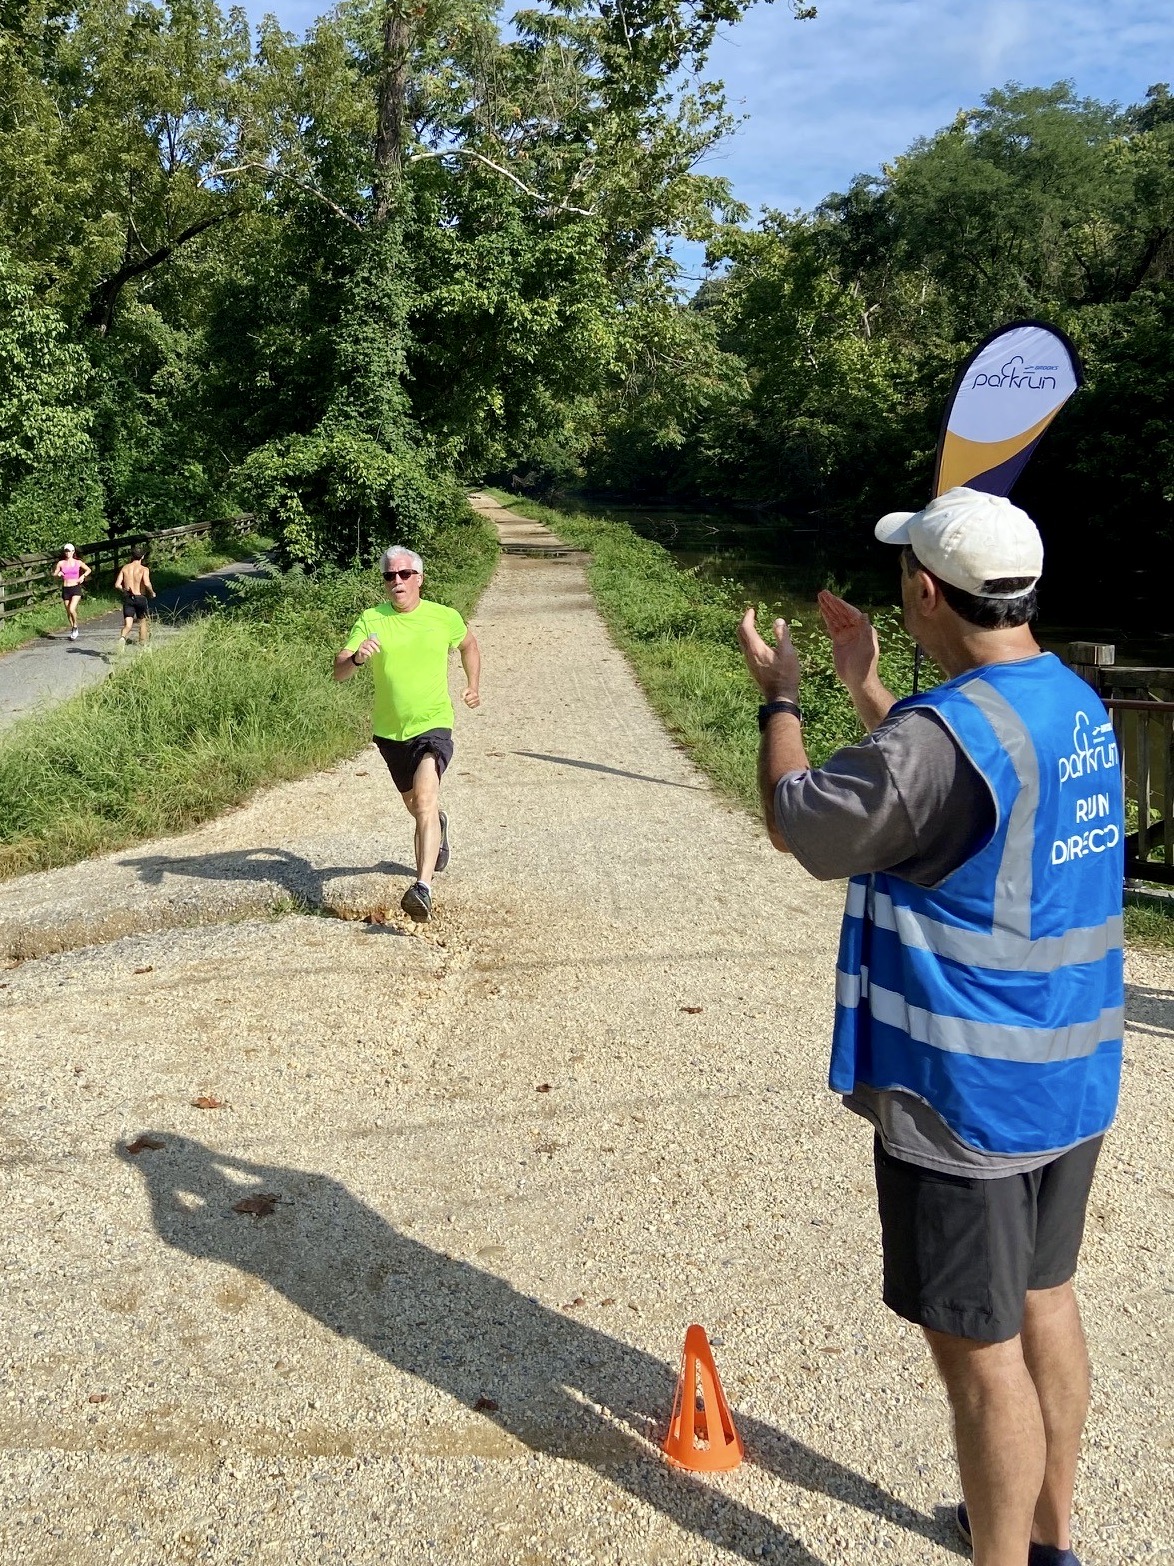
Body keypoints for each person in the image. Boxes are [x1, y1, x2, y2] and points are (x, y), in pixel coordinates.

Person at [736, 487, 1123, 1566]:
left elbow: (800, 825)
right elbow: (948, 790)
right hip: (1069, 1071)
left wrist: (784, 700)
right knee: (1045, 1299)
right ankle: (1047, 1539)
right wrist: (873, 691)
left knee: (978, 1353)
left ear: (922, 589)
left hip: (966, 1095)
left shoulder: (938, 736)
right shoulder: (1068, 701)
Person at [334, 544, 481, 922]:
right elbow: (339, 670)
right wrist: (357, 657)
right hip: (389, 732)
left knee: (427, 799)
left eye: (404, 574)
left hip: (433, 724)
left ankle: (422, 888)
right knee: (417, 808)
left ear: (419, 578)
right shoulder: (371, 618)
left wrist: (473, 684)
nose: (396, 581)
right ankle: (439, 828)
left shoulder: (443, 617)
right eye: (389, 576)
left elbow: (468, 643)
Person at [113, 545, 156, 647]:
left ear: (132, 556)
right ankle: (143, 644)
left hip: (128, 597)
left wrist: (124, 590)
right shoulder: (144, 569)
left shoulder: (125, 568)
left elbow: (117, 585)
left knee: (128, 624)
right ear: (142, 557)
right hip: (140, 597)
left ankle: (122, 638)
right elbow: (146, 583)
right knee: (142, 621)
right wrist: (152, 592)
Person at [52, 544, 92, 639]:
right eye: (66, 551)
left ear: (73, 552)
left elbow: (88, 570)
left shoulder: (78, 562)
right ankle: (74, 627)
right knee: (68, 611)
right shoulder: (61, 563)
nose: (67, 553)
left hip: (75, 588)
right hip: (66, 588)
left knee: (71, 609)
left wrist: (83, 576)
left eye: (69, 551)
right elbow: (54, 573)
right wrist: (58, 573)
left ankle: (75, 626)